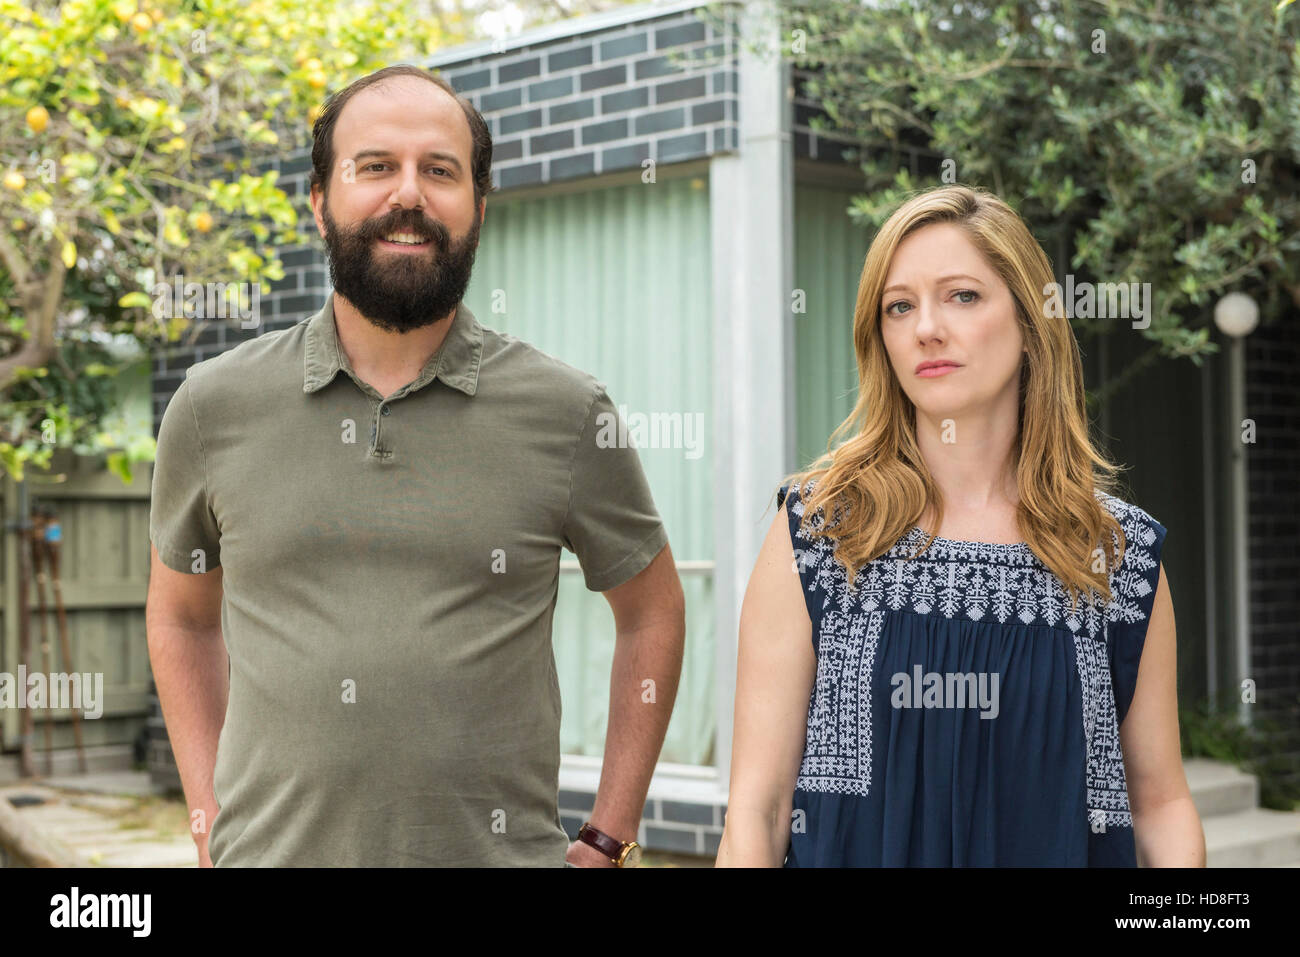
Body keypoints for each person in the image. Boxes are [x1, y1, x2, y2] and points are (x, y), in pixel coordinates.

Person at [146, 65, 685, 867]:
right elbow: (182, 618)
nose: (410, 195)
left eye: (440, 170)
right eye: (375, 167)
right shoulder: (212, 405)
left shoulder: (568, 412)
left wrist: (608, 836)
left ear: (478, 203)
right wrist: (205, 818)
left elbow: (652, 613)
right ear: (320, 203)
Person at [717, 185, 1204, 867]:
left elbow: (1161, 806)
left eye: (963, 296)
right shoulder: (820, 533)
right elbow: (757, 812)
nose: (926, 328)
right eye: (900, 306)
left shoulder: (1115, 552)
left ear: (1033, 324)